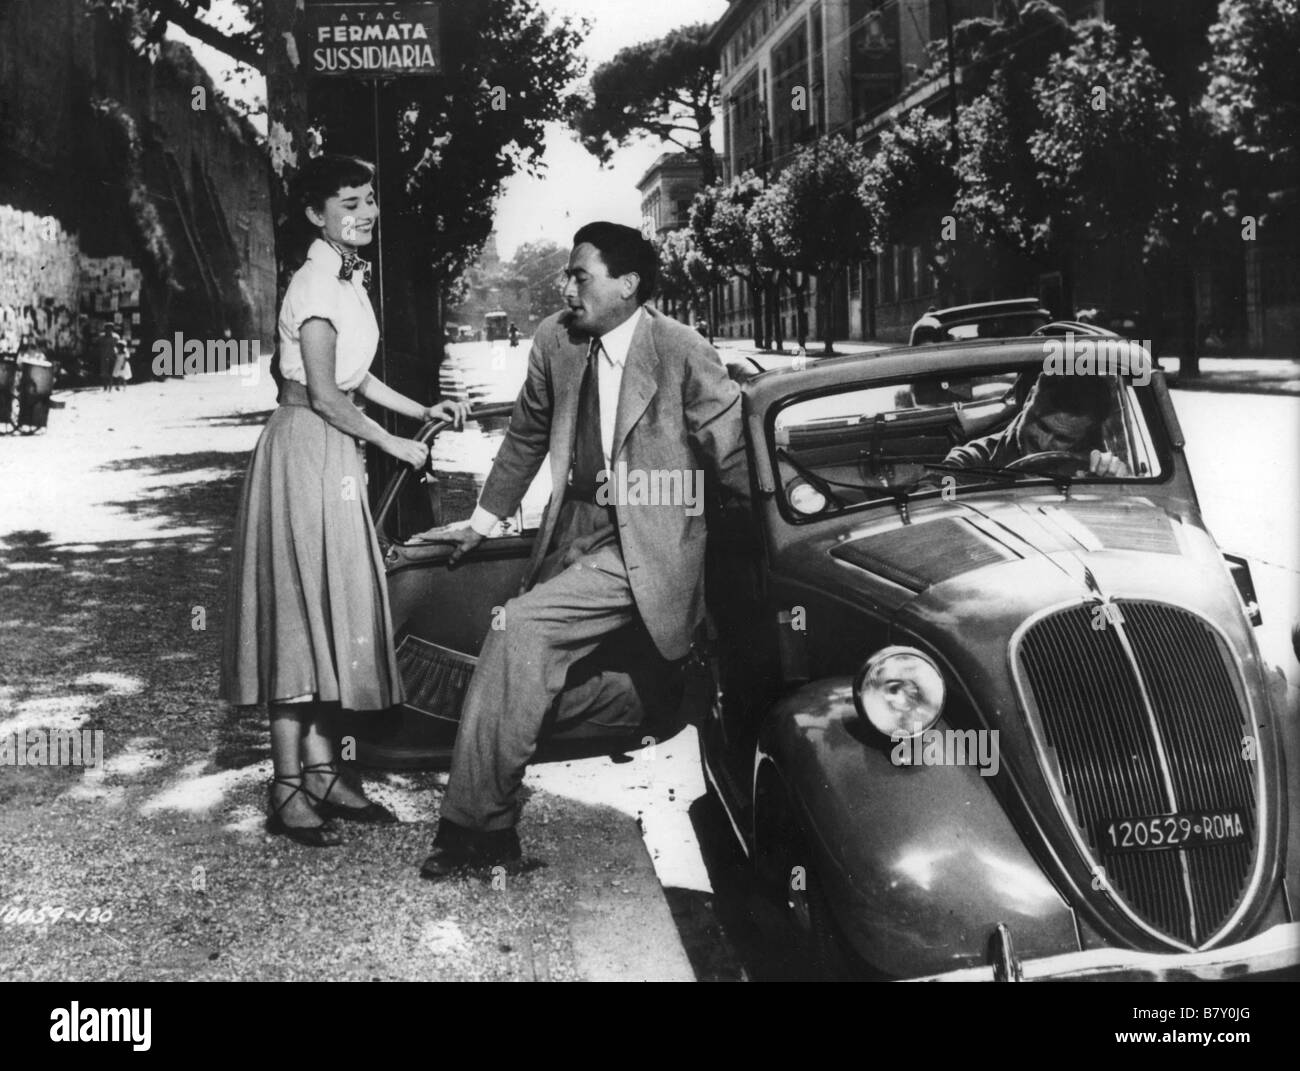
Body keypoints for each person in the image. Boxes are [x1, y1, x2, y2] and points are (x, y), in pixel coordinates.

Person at [418, 221, 749, 878]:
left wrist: (747, 557)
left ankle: (475, 830)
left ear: (627, 285)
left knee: (521, 629)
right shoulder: (556, 339)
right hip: (575, 530)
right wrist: (481, 523)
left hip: (650, 540)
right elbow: (525, 438)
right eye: (567, 275)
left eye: (580, 276)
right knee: (524, 659)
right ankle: (641, 701)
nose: (567, 289)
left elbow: (733, 456)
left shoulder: (681, 349)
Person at [220, 154, 468, 847]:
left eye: (369, 199)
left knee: (333, 607)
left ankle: (324, 772)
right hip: (304, 447)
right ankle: (286, 786)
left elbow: (357, 380)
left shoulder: (345, 278)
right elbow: (325, 395)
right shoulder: (314, 283)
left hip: (332, 449)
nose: (365, 213)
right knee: (300, 615)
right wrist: (395, 445)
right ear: (315, 213)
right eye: (349, 202)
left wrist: (421, 409)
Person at [944, 371, 1130, 477]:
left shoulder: (1093, 466)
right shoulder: (974, 459)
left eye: (1062, 438)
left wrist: (1118, 483)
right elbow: (944, 489)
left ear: (1083, 436)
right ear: (1029, 399)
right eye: (1042, 426)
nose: (1043, 442)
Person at [96, 322, 119, 392]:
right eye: (107, 329)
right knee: (104, 372)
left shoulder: (115, 337)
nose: (108, 330)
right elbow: (99, 346)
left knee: (111, 372)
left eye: (110, 329)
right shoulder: (101, 337)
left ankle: (110, 387)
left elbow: (117, 346)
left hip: (112, 355)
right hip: (104, 356)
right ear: (105, 329)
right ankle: (105, 387)